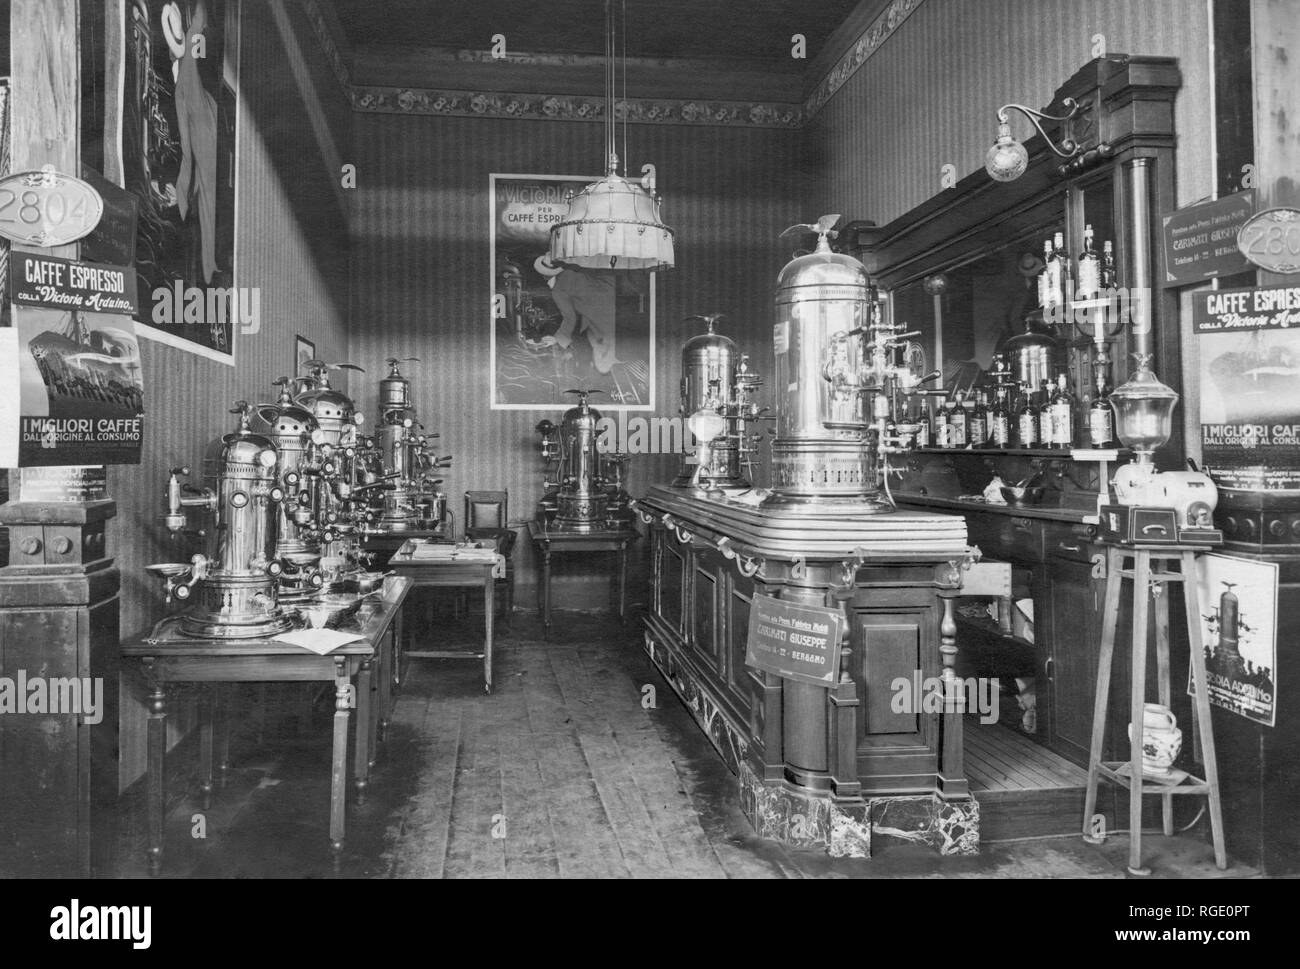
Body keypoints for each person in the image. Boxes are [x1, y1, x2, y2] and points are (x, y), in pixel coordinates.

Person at [530, 255, 621, 374]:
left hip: (597, 319)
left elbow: (570, 318)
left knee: (603, 362)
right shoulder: (575, 272)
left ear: (545, 276)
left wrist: (558, 339)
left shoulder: (558, 290)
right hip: (613, 307)